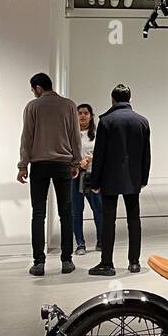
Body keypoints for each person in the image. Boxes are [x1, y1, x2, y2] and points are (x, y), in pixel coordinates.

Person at [17, 72, 81, 277]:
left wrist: (22, 165)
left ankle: (39, 262)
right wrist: (76, 161)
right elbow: (75, 136)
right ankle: (67, 260)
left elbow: (27, 137)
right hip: (63, 164)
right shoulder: (69, 105)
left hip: (40, 165)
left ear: (37, 88)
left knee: (38, 213)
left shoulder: (32, 107)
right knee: (66, 212)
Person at [87, 83, 151, 276]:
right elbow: (146, 154)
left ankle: (107, 263)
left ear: (112, 99)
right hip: (133, 178)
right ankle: (134, 262)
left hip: (109, 179)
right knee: (134, 219)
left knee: (109, 220)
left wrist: (95, 182)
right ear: (130, 99)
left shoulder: (106, 121)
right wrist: (143, 178)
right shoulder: (142, 121)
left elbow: (99, 154)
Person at [72, 103, 103, 255]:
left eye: (86, 113)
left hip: (93, 176)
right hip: (75, 176)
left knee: (98, 209)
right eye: (80, 113)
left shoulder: (97, 134)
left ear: (91, 116)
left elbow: (102, 153)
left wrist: (90, 159)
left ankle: (101, 241)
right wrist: (79, 163)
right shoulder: (70, 134)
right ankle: (80, 243)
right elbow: (66, 153)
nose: (83, 116)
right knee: (76, 211)